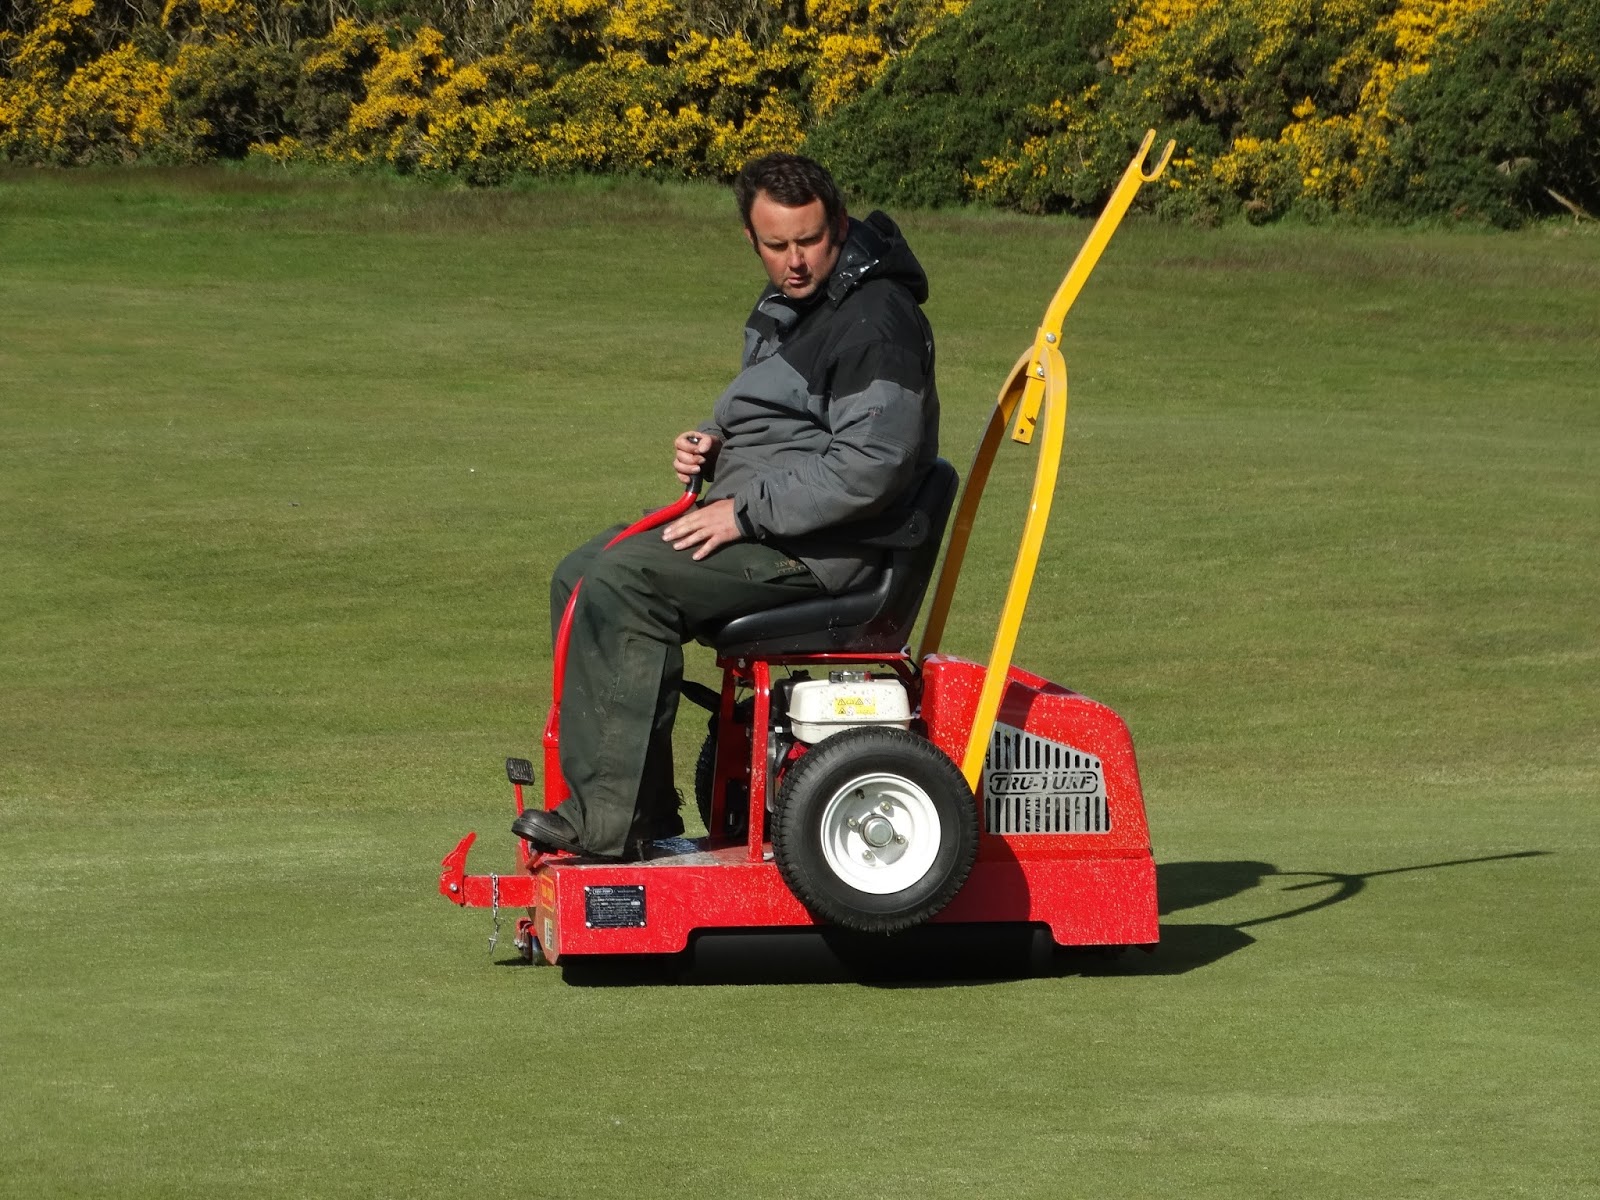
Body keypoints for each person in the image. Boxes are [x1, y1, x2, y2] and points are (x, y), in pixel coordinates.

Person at [513, 152, 939, 860]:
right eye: (776, 245)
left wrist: (742, 511)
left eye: (810, 241)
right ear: (750, 237)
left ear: (839, 225)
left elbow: (873, 465)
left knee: (624, 581)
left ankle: (608, 824)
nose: (795, 261)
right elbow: (781, 420)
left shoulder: (875, 320)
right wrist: (714, 443)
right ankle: (638, 812)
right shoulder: (794, 303)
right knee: (581, 570)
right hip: (776, 526)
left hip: (826, 552)